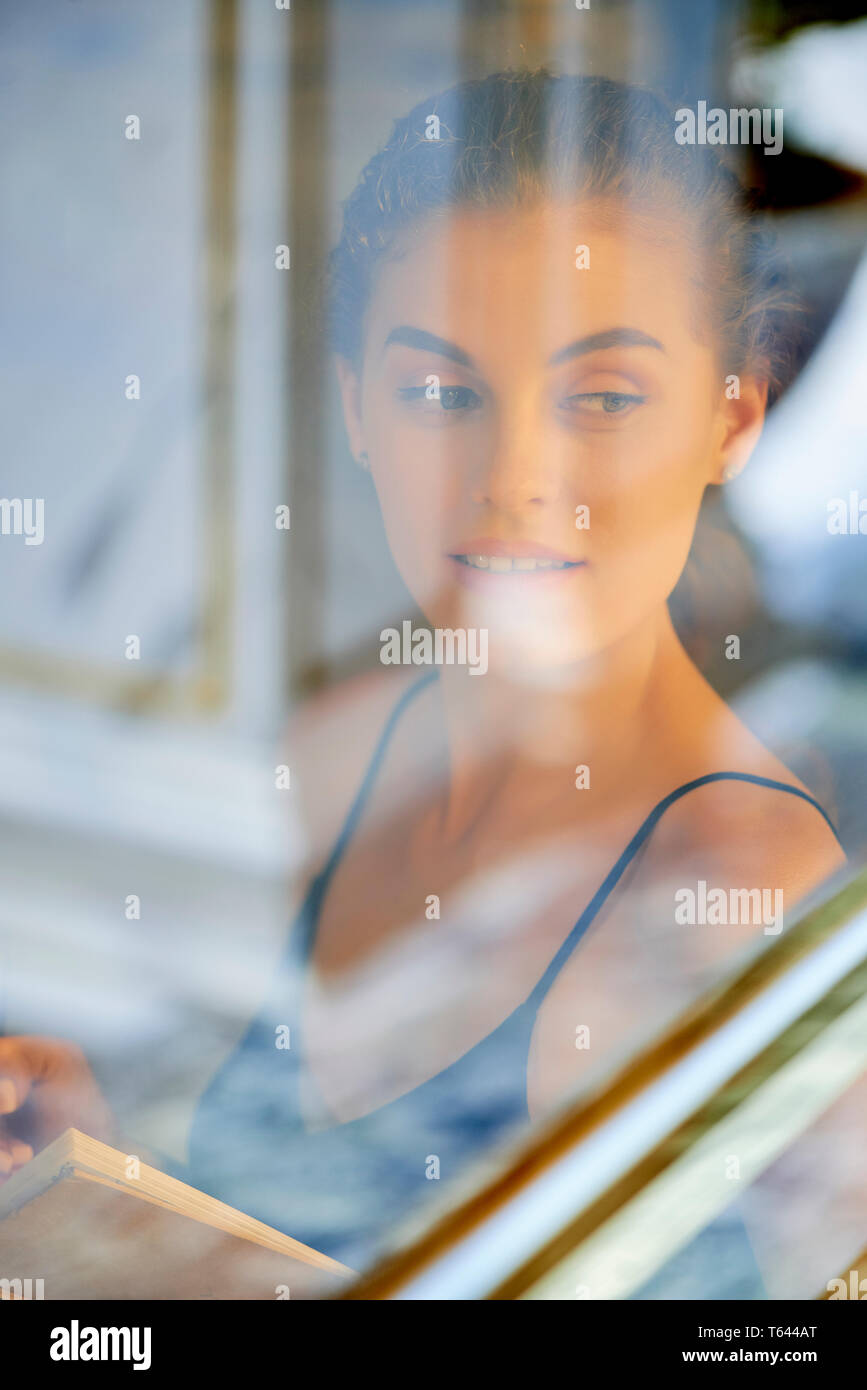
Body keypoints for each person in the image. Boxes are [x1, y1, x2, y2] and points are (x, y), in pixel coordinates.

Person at [0, 72, 847, 1295]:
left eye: (603, 396)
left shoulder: (735, 897)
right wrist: (94, 1180)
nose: (513, 476)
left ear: (732, 419)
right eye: (442, 392)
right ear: (354, 409)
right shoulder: (353, 744)